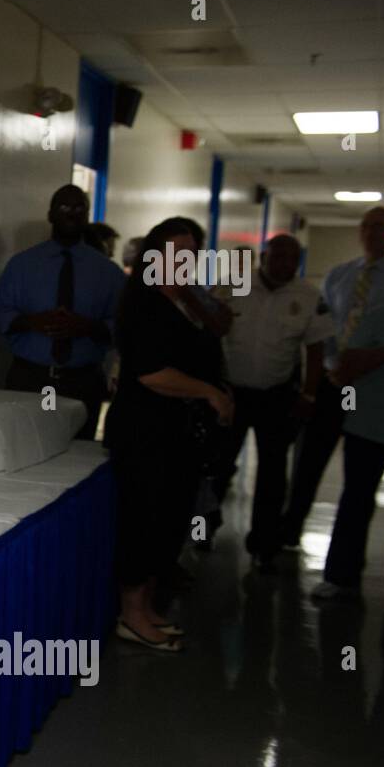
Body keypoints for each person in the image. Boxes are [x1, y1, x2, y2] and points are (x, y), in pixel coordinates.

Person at [104, 218, 233, 650]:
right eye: (175, 252)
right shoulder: (142, 304)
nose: (183, 261)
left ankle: (147, 606)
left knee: (171, 521)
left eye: (191, 253)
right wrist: (209, 392)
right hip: (146, 434)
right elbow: (151, 373)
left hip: (178, 433)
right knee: (145, 521)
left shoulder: (185, 300)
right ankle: (131, 614)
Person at [210, 235, 333, 569]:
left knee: (272, 474)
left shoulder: (308, 296)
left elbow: (316, 348)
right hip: (231, 393)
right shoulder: (233, 285)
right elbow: (207, 329)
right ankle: (203, 529)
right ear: (264, 257)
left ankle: (264, 545)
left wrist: (309, 394)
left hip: (276, 396)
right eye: (278, 258)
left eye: (292, 260)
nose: (285, 266)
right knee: (217, 465)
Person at [282, 206, 384, 547]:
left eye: (379, 227)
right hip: (333, 380)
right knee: (309, 461)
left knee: (360, 474)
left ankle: (347, 560)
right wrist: (330, 367)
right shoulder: (338, 275)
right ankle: (290, 532)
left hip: (373, 386)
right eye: (366, 226)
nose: (370, 233)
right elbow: (325, 326)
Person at [0, 185, 124, 439]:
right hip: (29, 379)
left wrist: (87, 327)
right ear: (50, 215)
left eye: (79, 208)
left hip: (82, 382)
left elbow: (125, 324)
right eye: (64, 207)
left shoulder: (108, 273)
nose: (71, 214)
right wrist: (32, 321)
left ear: (87, 216)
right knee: (22, 448)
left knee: (76, 459)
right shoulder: (22, 266)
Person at [310, 300, 384, 607]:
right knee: (355, 502)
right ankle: (340, 577)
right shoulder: (382, 314)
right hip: (368, 428)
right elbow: (344, 368)